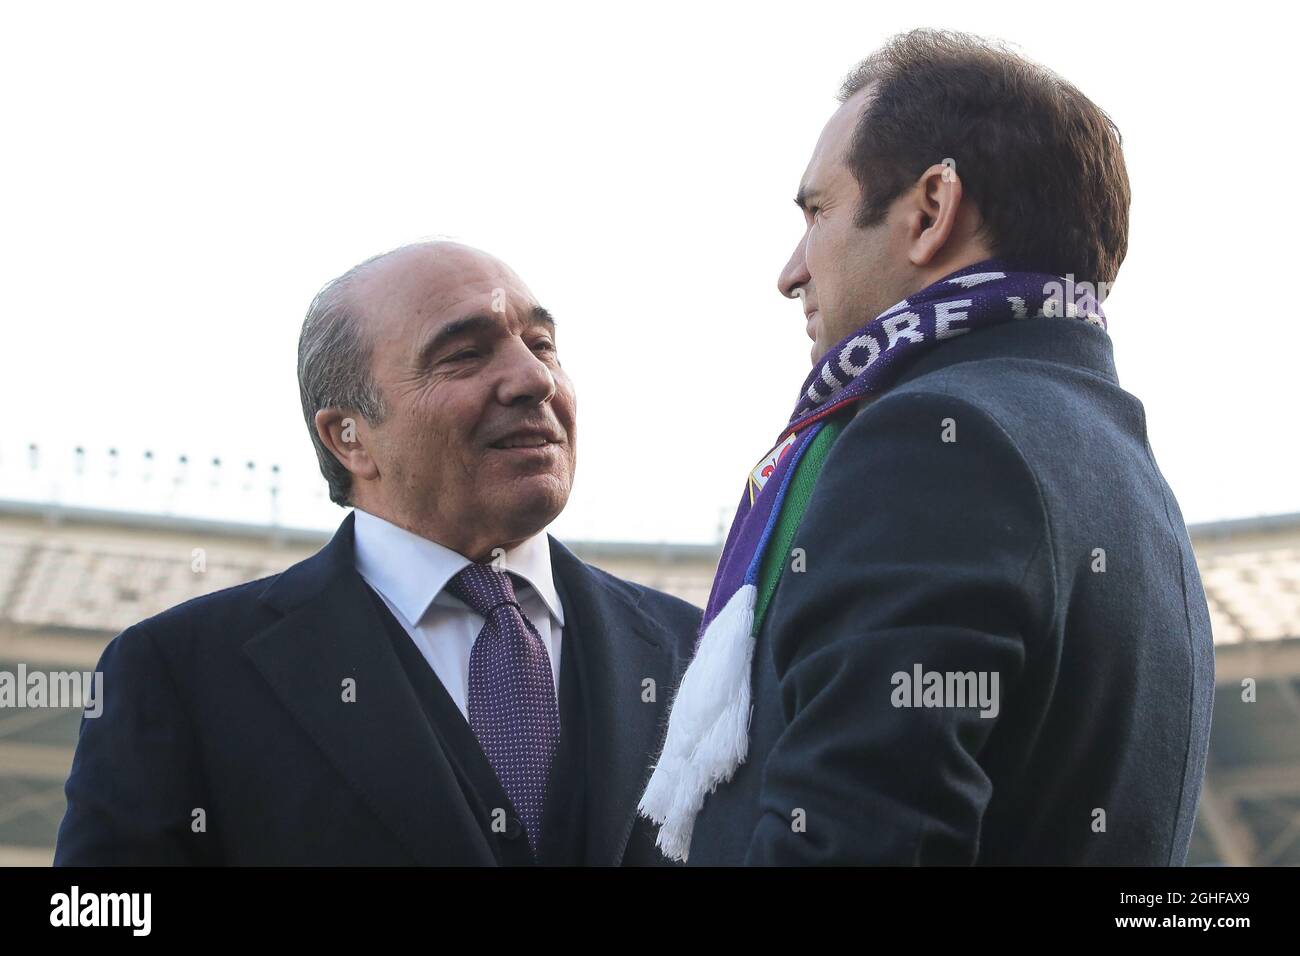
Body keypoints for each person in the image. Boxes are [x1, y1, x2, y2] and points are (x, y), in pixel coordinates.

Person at [640, 28, 1215, 865]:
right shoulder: (1122, 470)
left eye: (817, 212)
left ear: (931, 210)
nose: (791, 271)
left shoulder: (937, 445)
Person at [56, 241, 700, 865]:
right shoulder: (178, 675)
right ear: (349, 438)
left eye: (541, 345)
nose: (533, 379)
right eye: (465, 355)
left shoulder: (697, 652)